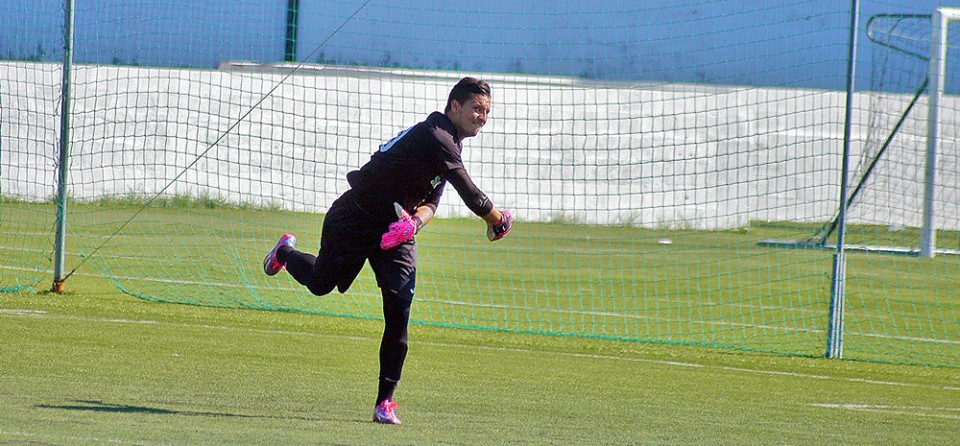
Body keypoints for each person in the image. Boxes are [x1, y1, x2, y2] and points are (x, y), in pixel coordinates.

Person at [262, 77, 513, 425]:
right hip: (355, 217)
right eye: (476, 109)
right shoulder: (436, 135)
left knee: (399, 310)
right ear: (454, 106)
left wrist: (414, 225)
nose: (482, 117)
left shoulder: (451, 143)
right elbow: (468, 192)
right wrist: (498, 218)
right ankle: (285, 253)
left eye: (486, 111)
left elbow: (432, 202)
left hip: (396, 232)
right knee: (321, 284)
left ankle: (385, 402)